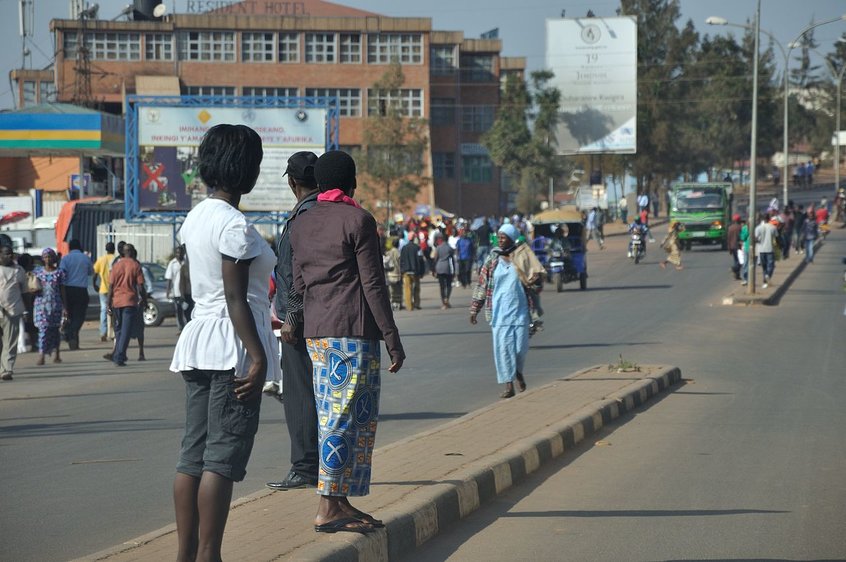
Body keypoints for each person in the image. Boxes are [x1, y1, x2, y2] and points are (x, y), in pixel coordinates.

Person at [170, 124, 279, 561]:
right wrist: (257, 357)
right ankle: (209, 555)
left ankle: (186, 555)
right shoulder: (235, 225)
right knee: (221, 457)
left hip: (199, 339)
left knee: (192, 455)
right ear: (246, 168)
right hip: (231, 347)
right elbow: (236, 298)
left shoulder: (196, 216)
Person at [289, 150, 405, 534]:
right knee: (346, 419)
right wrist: (392, 338)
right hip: (352, 333)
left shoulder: (301, 223)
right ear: (352, 183)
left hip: (317, 334)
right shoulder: (359, 220)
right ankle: (327, 507)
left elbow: (298, 284)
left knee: (339, 416)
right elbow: (373, 284)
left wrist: (296, 323)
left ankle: (339, 500)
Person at [266, 150, 321, 492]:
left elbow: (295, 273)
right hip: (321, 316)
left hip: (299, 321)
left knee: (299, 395)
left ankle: (304, 467)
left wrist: (291, 316)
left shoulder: (302, 217)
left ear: (292, 181)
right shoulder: (324, 211)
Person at [470, 223, 539, 400]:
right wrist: (475, 308)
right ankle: (509, 385)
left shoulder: (522, 256)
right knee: (503, 349)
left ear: (512, 238)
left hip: (520, 311)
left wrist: (536, 280)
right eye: (498, 237)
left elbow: (536, 283)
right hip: (499, 313)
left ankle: (517, 372)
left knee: (520, 348)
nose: (500, 240)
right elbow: (482, 284)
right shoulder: (492, 259)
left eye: (503, 237)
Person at [108, 243, 148, 367]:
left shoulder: (116, 266)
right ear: (132, 251)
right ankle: (119, 356)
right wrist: (145, 300)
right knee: (126, 330)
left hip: (116, 301)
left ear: (123, 252)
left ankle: (118, 354)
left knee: (119, 330)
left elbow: (111, 286)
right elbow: (140, 286)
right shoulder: (135, 265)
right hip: (129, 301)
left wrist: (108, 303)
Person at [33, 249, 66, 365]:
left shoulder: (60, 273)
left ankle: (57, 354)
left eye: (50, 256)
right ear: (42, 258)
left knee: (55, 330)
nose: (48, 259)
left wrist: (65, 307)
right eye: (46, 257)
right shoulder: (37, 272)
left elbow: (62, 290)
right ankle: (41, 355)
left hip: (55, 304)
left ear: (54, 258)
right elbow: (32, 287)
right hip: (41, 305)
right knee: (43, 329)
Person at [59, 239, 93, 350]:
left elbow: (62, 274)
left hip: (68, 290)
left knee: (70, 315)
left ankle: (71, 336)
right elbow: (90, 272)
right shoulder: (85, 258)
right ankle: (72, 332)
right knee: (79, 315)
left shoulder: (65, 259)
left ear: (69, 247)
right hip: (81, 290)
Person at [0, 244, 27, 381]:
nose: (9, 256)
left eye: (11, 253)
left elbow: (24, 291)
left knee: (10, 341)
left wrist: (26, 310)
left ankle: (7, 369)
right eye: (6, 253)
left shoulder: (19, 270)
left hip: (12, 310)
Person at [93, 242, 116, 342]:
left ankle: (103, 332)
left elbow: (95, 274)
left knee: (103, 310)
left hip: (103, 288)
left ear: (106, 250)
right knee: (114, 311)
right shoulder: (116, 259)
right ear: (114, 249)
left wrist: (94, 284)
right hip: (114, 289)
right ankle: (113, 333)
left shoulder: (101, 259)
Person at [165, 245, 191, 331]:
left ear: (183, 253)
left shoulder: (187, 263)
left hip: (187, 291)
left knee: (188, 310)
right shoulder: (172, 264)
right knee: (179, 311)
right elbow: (169, 278)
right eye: (177, 253)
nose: (179, 254)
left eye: (180, 252)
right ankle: (181, 328)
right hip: (177, 292)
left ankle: (188, 327)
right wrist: (168, 291)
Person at [400, 234, 425, 311]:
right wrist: (422, 272)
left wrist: (402, 270)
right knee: (416, 288)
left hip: (406, 272)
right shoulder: (417, 248)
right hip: (415, 272)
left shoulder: (404, 248)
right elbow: (421, 260)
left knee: (407, 289)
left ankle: (409, 306)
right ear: (414, 238)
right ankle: (417, 304)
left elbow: (401, 260)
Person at [432, 232, 455, 309]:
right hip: (447, 267)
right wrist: (454, 270)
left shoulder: (438, 248)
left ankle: (443, 302)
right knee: (448, 285)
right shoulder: (449, 248)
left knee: (442, 286)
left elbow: (435, 259)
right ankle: (447, 299)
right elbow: (452, 260)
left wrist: (434, 270)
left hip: (439, 268)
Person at [754, 213, 777, 288]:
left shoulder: (758, 228)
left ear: (762, 219)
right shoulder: (773, 227)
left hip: (761, 250)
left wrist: (759, 241)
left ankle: (765, 281)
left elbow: (755, 238)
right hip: (770, 249)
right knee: (770, 265)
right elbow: (776, 237)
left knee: (764, 267)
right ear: (769, 219)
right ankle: (767, 276)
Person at [384, 236, 403, 310]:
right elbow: (400, 262)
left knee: (392, 290)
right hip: (397, 273)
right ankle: (398, 303)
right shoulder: (398, 252)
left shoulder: (389, 252)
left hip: (390, 273)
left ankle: (393, 303)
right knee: (398, 290)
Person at [726, 214, 743, 280]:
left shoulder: (730, 228)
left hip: (732, 247)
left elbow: (728, 239)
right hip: (738, 246)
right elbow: (741, 237)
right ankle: (734, 269)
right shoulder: (740, 227)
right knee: (741, 261)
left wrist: (729, 248)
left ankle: (736, 276)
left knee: (736, 260)